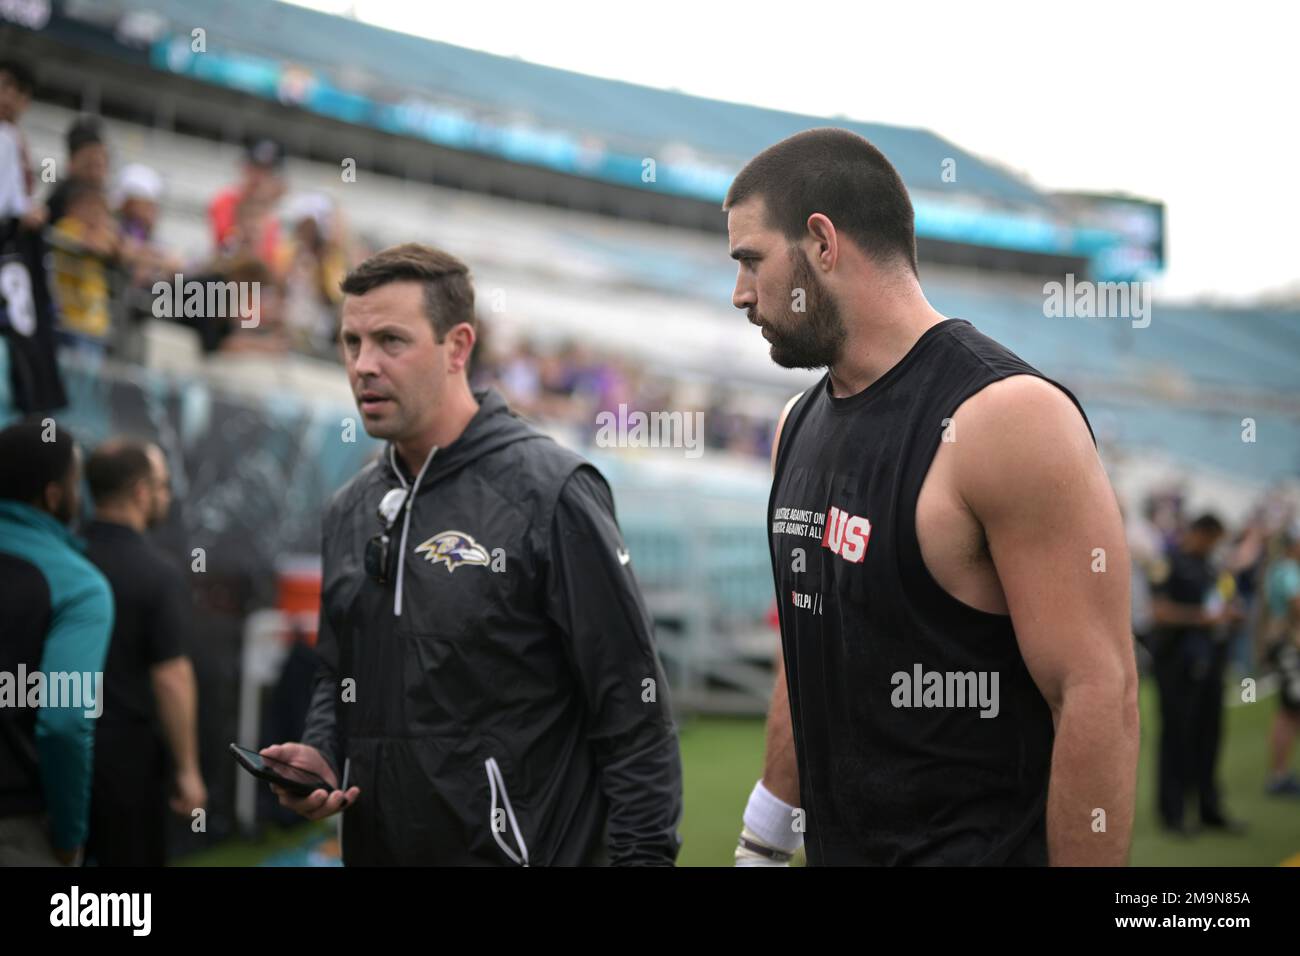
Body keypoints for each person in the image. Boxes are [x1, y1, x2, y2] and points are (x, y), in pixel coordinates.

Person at [725, 128, 1138, 866]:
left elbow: (1095, 692)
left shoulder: (1007, 418)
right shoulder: (798, 425)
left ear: (822, 242)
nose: (741, 294)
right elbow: (806, 639)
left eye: (751, 260)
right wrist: (767, 831)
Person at [263, 243, 682, 865]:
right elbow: (335, 671)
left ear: (458, 347)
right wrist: (321, 750)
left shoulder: (551, 493)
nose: (363, 366)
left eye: (390, 341)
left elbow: (634, 708)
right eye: (352, 343)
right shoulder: (347, 510)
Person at [82, 439, 206, 865]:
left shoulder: (64, 558)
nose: (166, 496)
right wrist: (188, 771)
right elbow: (172, 677)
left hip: (53, 756)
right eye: (163, 485)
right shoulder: (158, 575)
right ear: (139, 492)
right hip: (127, 767)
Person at [0, 421, 113, 865]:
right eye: (76, 481)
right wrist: (69, 835)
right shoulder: (78, 585)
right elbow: (64, 721)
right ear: (52, 495)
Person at [1150, 513, 1245, 834]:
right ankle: (1173, 813)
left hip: (1211, 661)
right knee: (1177, 736)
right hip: (1177, 664)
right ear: (1202, 533)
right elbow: (1159, 612)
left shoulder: (1211, 566)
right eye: (1213, 539)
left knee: (1209, 735)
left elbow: (1221, 600)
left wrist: (1230, 614)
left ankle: (1209, 808)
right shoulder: (1169, 562)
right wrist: (1203, 617)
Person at [1263, 525, 1300, 796]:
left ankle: (1280, 772)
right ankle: (1278, 774)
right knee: (1290, 711)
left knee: (1290, 711)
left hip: (1284, 642)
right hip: (1289, 644)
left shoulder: (1282, 568)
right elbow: (1295, 604)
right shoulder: (1287, 570)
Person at [43, 116, 109, 227]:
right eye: (89, 165)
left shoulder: (103, 198)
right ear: (71, 163)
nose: (95, 174)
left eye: (100, 165)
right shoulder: (60, 200)